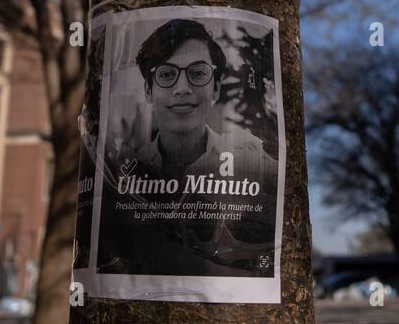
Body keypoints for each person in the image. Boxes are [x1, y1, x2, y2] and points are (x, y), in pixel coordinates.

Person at [97, 18, 277, 278]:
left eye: (198, 73)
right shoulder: (124, 175)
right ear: (149, 90)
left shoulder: (252, 160)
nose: (182, 89)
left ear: (215, 89)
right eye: (167, 74)